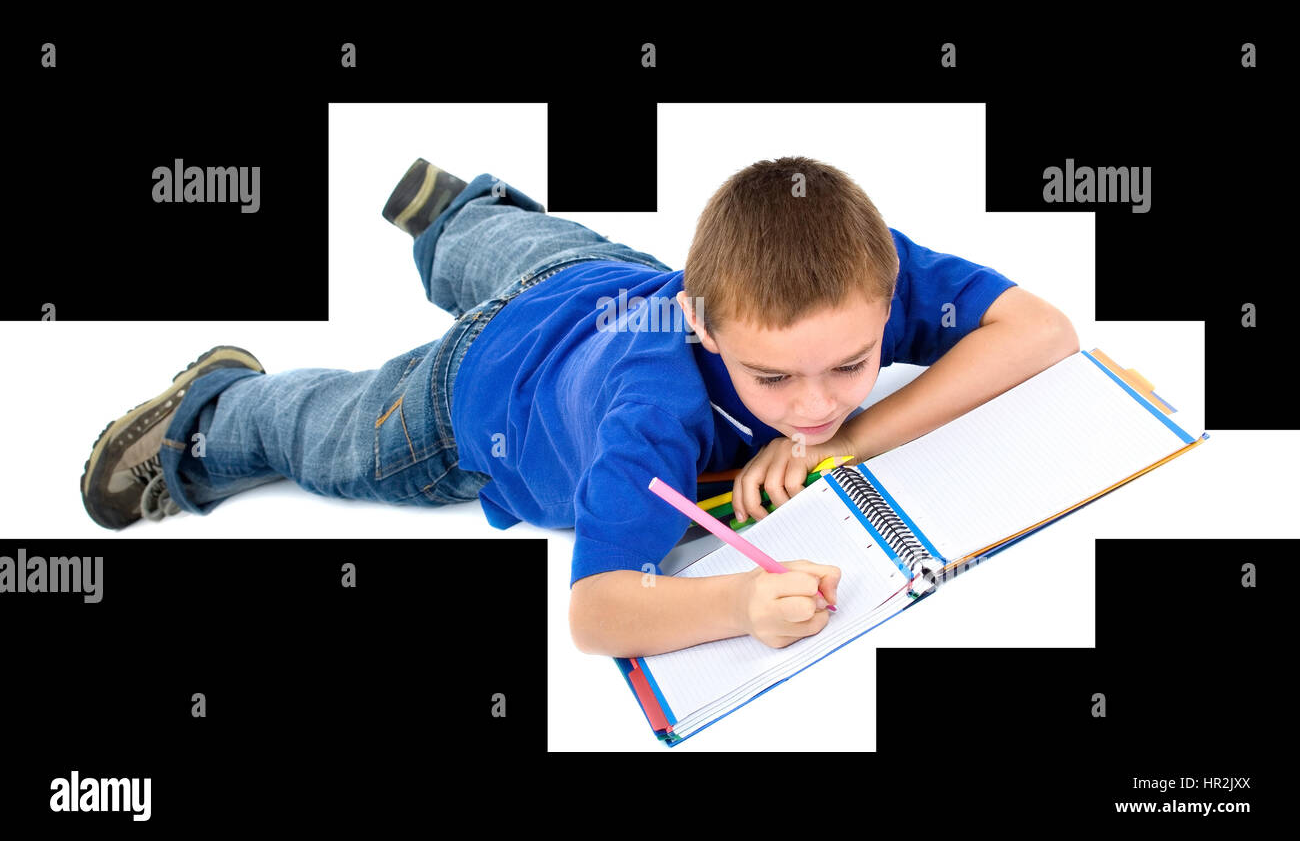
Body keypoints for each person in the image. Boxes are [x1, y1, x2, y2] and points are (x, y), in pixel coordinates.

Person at [81, 155, 1077, 657]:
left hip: (591, 278)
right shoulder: (651, 415)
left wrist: (856, 437)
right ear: (704, 319)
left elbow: (1043, 331)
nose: (810, 407)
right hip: (462, 399)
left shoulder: (855, 275)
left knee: (526, 251)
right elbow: (597, 612)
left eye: (852, 365)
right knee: (326, 432)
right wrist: (735, 602)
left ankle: (457, 221)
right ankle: (208, 415)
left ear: (885, 281)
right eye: (770, 379)